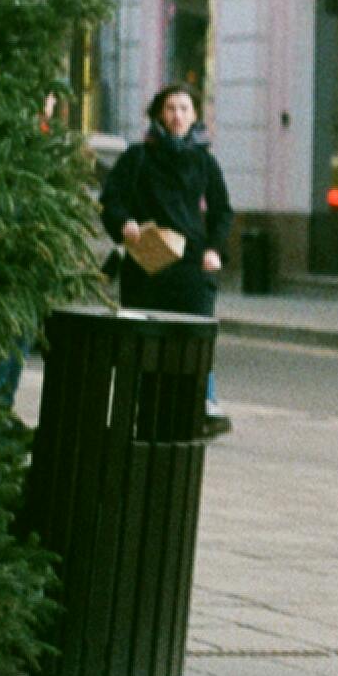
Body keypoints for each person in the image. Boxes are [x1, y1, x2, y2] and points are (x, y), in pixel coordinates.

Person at [101, 84, 236, 436]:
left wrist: (213, 250)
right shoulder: (139, 156)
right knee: (145, 347)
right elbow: (111, 200)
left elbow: (223, 211)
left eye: (185, 109)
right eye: (171, 108)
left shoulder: (204, 161)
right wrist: (123, 224)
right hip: (148, 266)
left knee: (192, 344)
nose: (177, 116)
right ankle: (142, 417)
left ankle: (195, 415)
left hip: (192, 268)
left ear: (194, 116)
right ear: (159, 114)